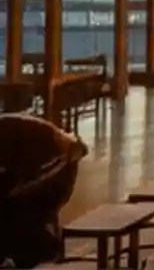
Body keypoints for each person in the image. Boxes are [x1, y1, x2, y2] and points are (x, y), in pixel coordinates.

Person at [0, 114, 88, 267]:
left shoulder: (50, 151)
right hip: (42, 169)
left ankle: (31, 251)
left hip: (45, 178)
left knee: (17, 218)